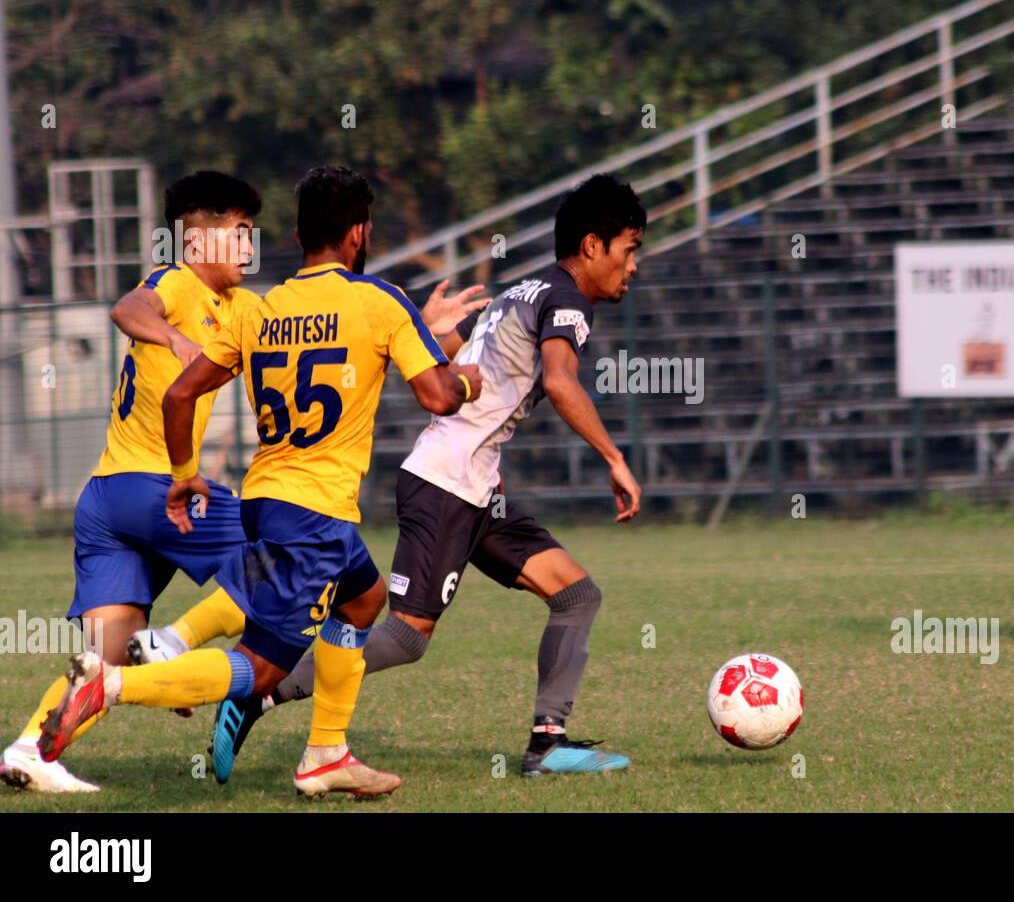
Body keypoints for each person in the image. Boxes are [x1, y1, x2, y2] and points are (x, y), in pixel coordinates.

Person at [37, 165, 484, 798]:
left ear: (299, 233)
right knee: (263, 668)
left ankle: (327, 751)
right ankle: (114, 684)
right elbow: (439, 395)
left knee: (363, 598)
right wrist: (470, 380)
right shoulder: (379, 300)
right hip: (318, 509)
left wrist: (186, 475)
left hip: (268, 497)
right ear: (359, 233)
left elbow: (180, 395)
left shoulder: (264, 310)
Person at [206, 173, 645, 781]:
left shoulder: (521, 291)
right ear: (593, 246)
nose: (633, 266)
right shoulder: (566, 301)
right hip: (446, 485)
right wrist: (615, 459)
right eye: (629, 248)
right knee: (406, 637)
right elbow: (560, 380)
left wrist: (430, 324)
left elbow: (438, 348)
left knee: (576, 595)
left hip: (473, 488)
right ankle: (256, 692)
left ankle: (548, 745)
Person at [0, 172, 262, 793]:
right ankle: (320, 745)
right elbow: (127, 308)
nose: (250, 246)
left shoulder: (247, 309)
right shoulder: (175, 282)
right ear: (199, 242)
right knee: (286, 559)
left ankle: (29, 749)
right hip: (154, 492)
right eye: (240, 232)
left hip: (106, 502)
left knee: (107, 658)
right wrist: (173, 335)